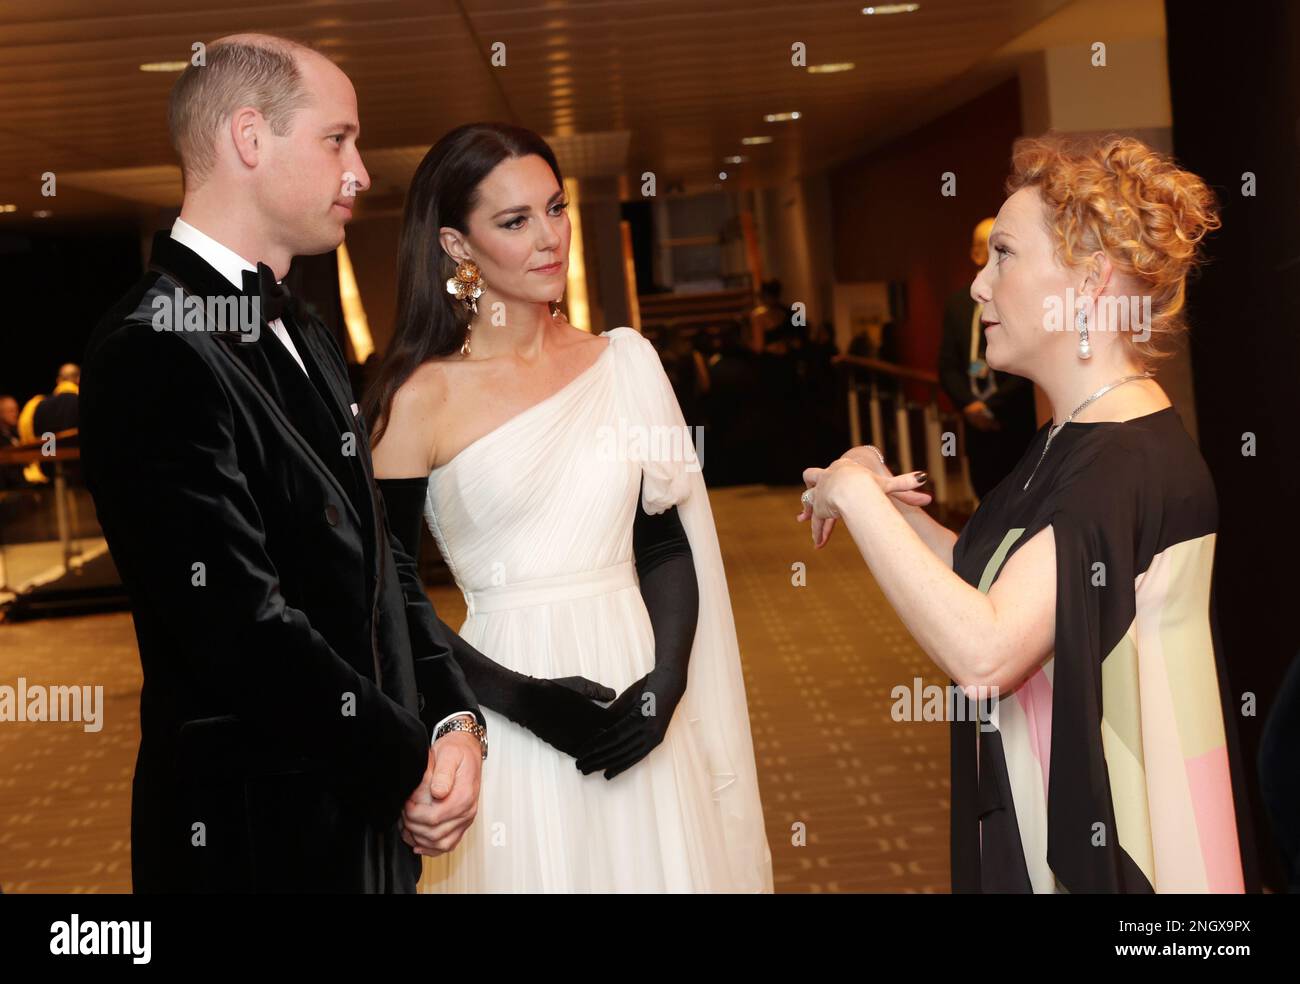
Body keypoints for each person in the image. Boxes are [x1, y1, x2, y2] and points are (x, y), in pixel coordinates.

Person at [80, 34, 489, 893]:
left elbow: (384, 565)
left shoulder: (305, 329)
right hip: (253, 841)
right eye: (337, 139)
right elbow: (237, 628)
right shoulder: (149, 348)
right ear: (248, 139)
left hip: (366, 828)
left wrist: (454, 718)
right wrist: (408, 760)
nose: (362, 171)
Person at [799, 133, 1249, 893]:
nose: (978, 286)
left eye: (1003, 254)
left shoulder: (1123, 463)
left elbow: (988, 652)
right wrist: (886, 507)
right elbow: (997, 589)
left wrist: (849, 498)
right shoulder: (1080, 436)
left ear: (1090, 281)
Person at [366, 122, 773, 892]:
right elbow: (388, 595)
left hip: (638, 700)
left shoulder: (624, 361)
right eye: (515, 221)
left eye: (555, 208)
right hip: (502, 704)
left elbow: (660, 543)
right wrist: (525, 701)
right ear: (456, 245)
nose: (550, 237)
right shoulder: (414, 400)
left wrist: (667, 684)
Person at [939, 219, 1038, 499]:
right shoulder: (957, 305)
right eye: (987, 244)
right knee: (986, 502)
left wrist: (992, 408)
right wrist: (972, 407)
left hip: (1016, 425)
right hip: (976, 430)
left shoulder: (1023, 300)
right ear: (974, 253)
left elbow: (1027, 361)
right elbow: (947, 366)